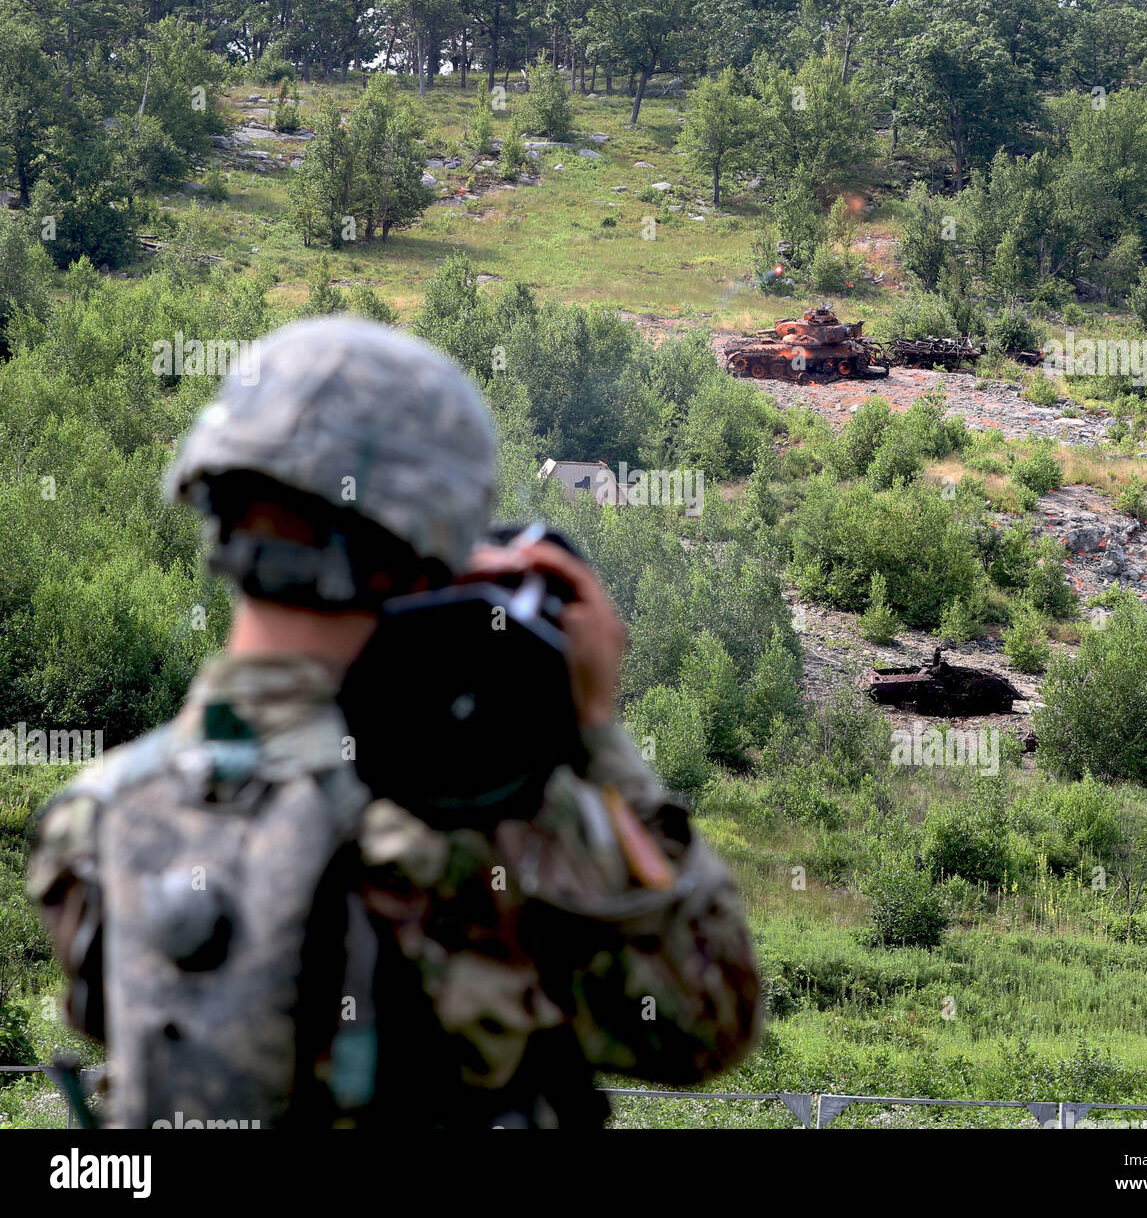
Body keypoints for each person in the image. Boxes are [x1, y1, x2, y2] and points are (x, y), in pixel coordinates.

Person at [26, 316, 761, 1128]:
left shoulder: (92, 820)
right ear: (432, 544)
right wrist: (597, 734)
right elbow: (706, 1020)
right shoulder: (487, 815)